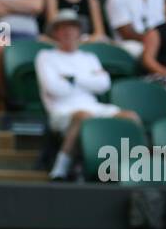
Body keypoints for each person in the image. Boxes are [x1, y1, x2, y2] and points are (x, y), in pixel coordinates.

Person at [36, 9, 137, 181]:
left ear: (79, 31)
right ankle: (60, 169)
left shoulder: (89, 57)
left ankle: (137, 169)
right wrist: (88, 81)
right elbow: (54, 88)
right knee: (83, 116)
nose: (68, 32)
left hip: (94, 106)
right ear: (55, 32)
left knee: (131, 117)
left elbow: (103, 84)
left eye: (72, 27)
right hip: (61, 111)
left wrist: (71, 79)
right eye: (63, 28)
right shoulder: (45, 56)